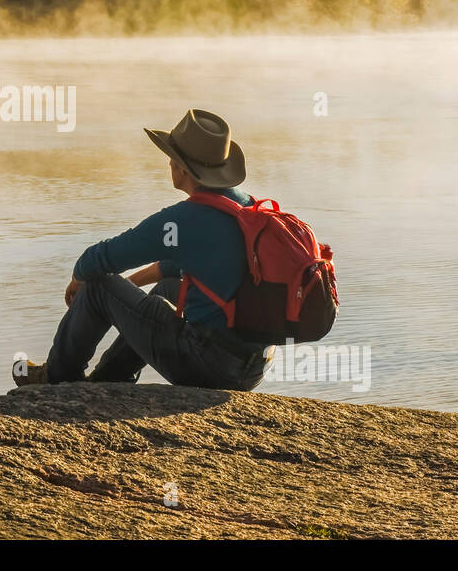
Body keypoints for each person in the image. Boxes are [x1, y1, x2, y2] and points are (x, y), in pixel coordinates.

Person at [14, 108, 272, 390]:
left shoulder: (183, 219)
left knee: (99, 285)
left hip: (210, 367)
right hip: (252, 367)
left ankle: (55, 377)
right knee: (169, 288)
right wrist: (131, 286)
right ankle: (110, 379)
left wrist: (79, 279)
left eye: (171, 157)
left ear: (181, 167)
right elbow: (182, 266)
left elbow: (101, 258)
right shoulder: (247, 207)